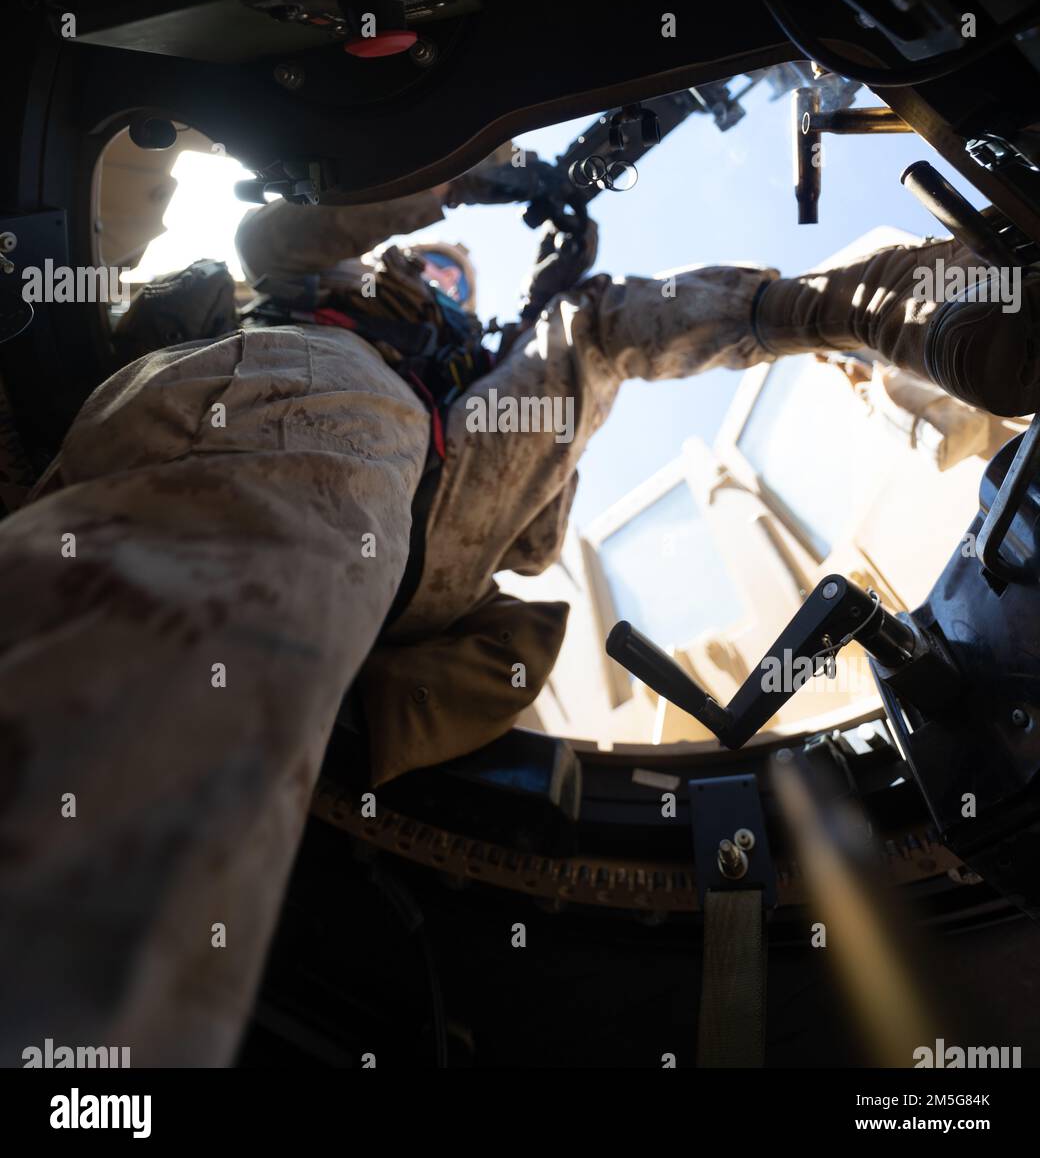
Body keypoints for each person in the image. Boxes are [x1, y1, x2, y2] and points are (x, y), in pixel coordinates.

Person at [0, 148, 1035, 1067]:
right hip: (284, 388)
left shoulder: (500, 364)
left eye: (451, 278)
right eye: (429, 268)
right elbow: (293, 222)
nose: (433, 278)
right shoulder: (296, 278)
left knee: (574, 333)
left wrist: (532, 314)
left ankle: (907, 310)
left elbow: (539, 509)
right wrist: (482, 171)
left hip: (416, 498)